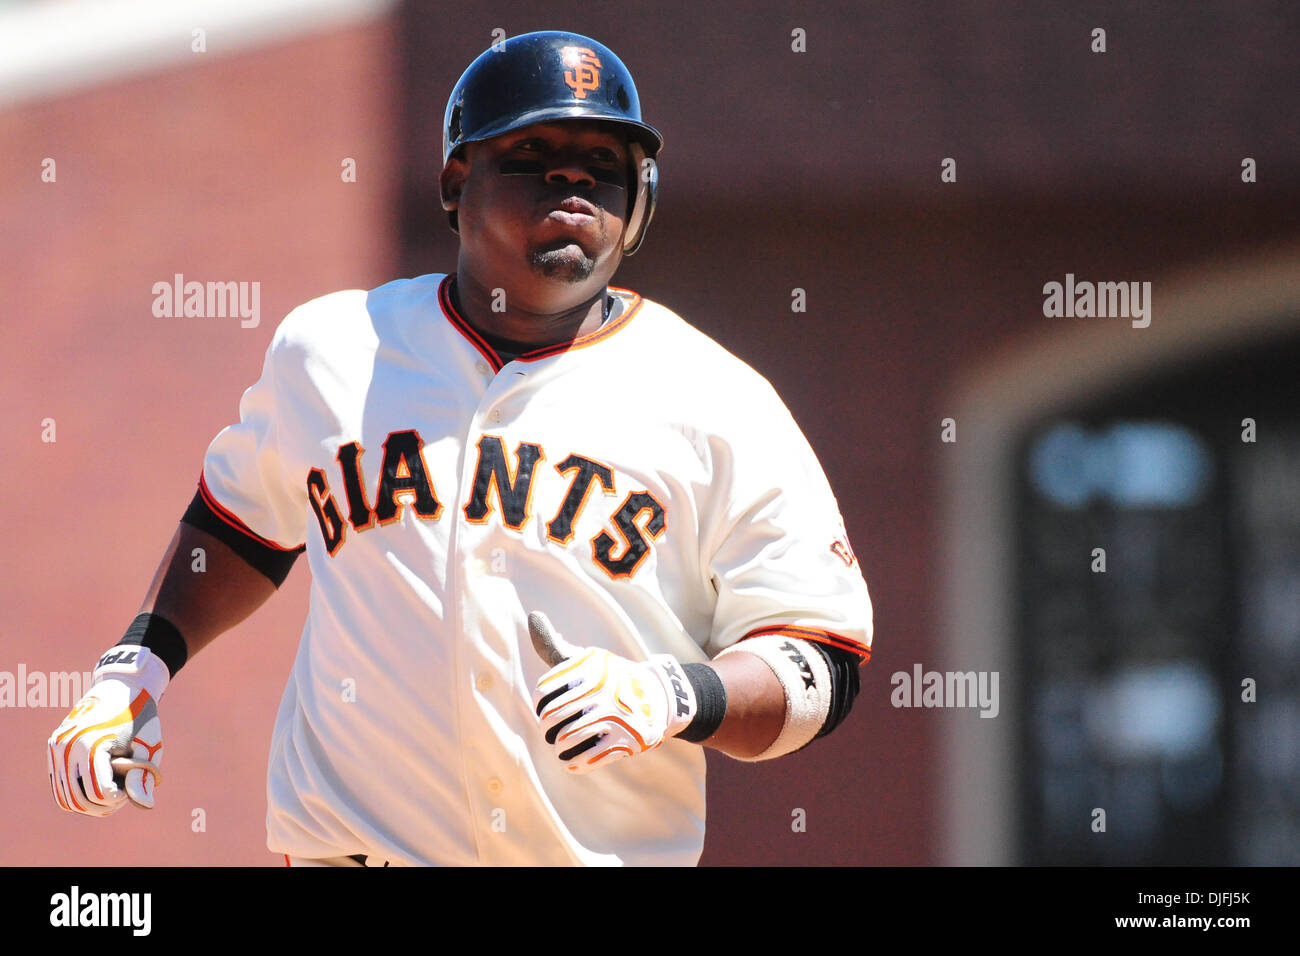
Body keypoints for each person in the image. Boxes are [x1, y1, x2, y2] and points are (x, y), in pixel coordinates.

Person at [46, 30, 872, 867]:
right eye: (536, 153)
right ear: (454, 180)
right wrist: (132, 671)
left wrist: (676, 693)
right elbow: (238, 525)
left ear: (640, 200)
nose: (575, 179)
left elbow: (821, 664)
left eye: (605, 160)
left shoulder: (717, 398)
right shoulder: (334, 349)